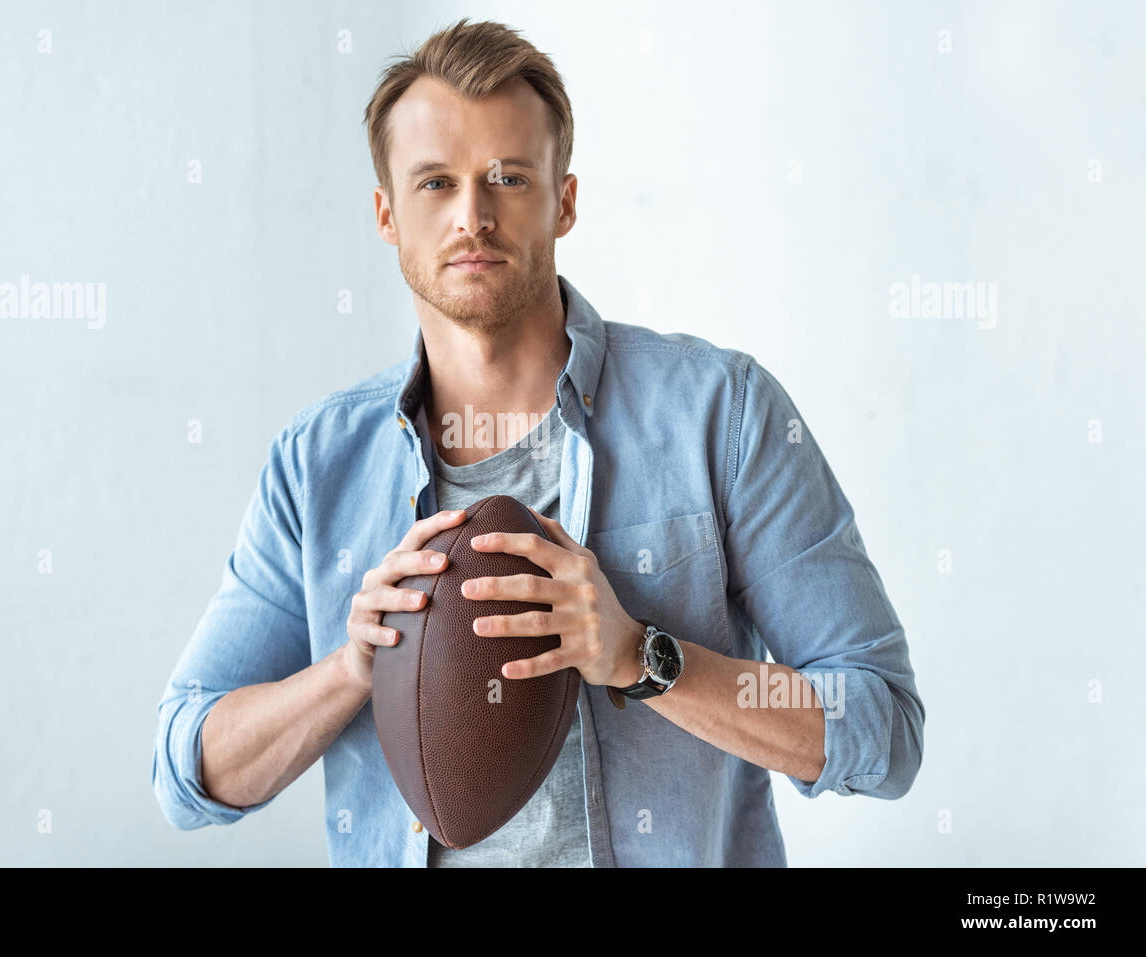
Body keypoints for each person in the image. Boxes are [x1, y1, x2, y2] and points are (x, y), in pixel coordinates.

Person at [152, 17, 924, 867]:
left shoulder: (721, 414)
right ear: (386, 215)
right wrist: (348, 671)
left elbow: (880, 725)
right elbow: (185, 767)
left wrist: (645, 658)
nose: (471, 216)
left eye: (507, 178)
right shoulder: (317, 464)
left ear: (564, 199)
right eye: (436, 183)